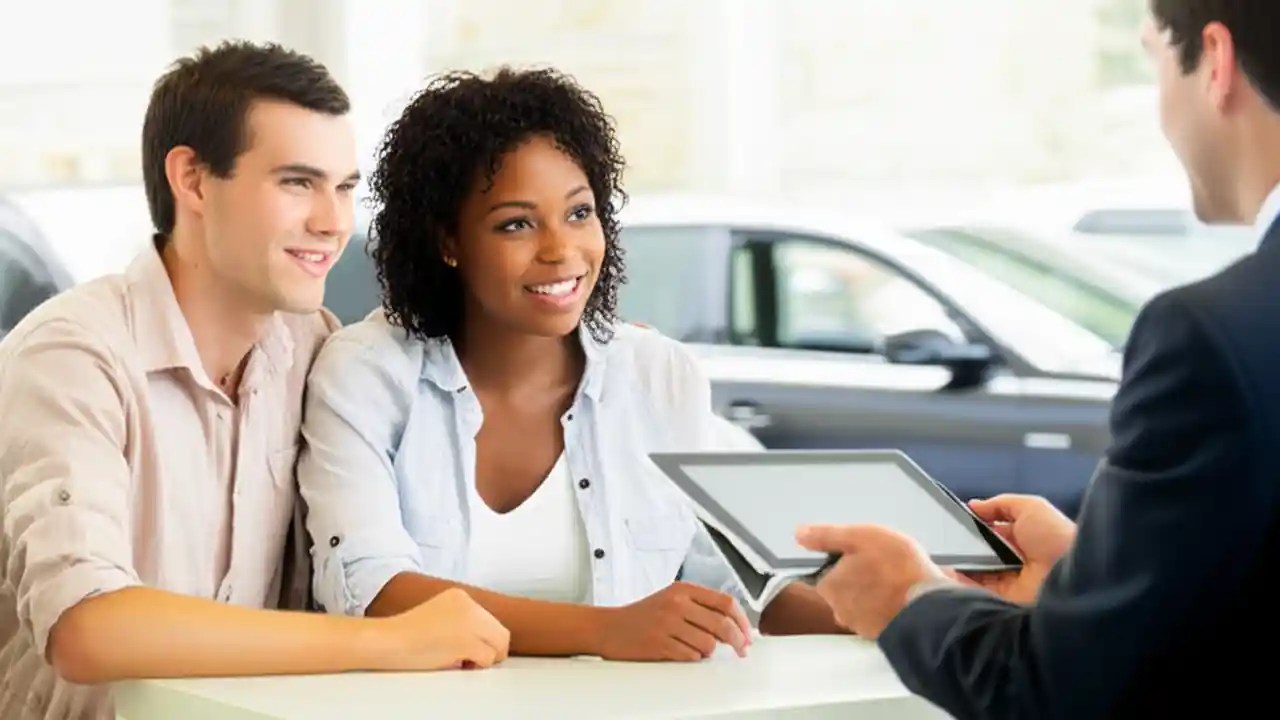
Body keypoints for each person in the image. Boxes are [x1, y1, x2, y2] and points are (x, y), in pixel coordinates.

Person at [794, 2, 1280, 717]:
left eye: (1152, 61)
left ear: (1216, 60)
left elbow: (1060, 692)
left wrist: (905, 599)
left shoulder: (1211, 333)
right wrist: (1096, 575)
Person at [0, 41, 509, 720]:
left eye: (345, 188)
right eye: (297, 182)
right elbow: (87, 626)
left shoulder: (316, 349)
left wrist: (600, 351)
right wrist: (382, 642)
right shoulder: (72, 356)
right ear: (193, 180)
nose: (332, 222)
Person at [296, 67, 843, 663]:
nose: (561, 250)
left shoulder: (659, 375)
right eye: (516, 224)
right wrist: (604, 631)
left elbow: (738, 589)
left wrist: (917, 608)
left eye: (579, 213)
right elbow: (372, 591)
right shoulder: (369, 374)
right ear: (448, 241)